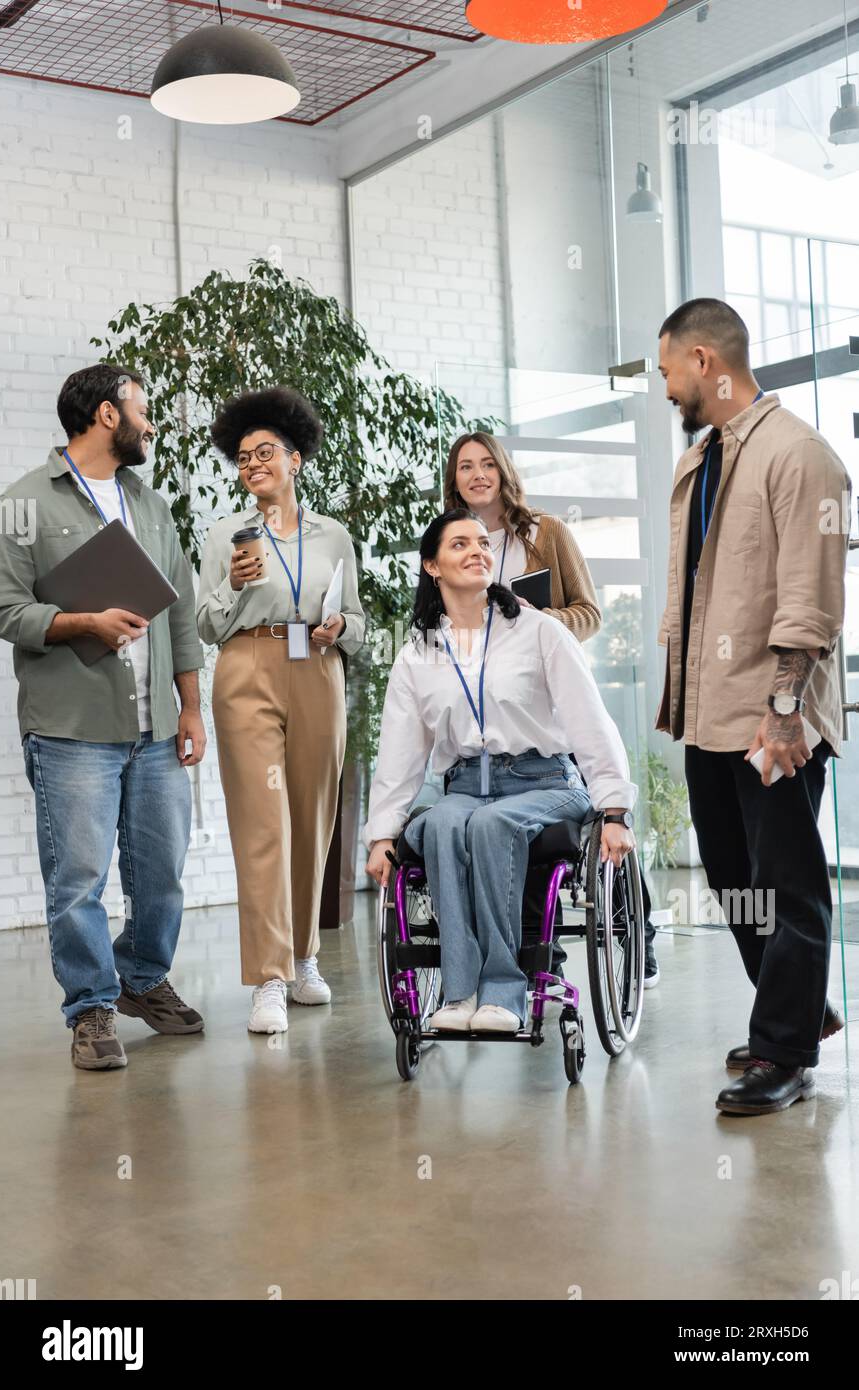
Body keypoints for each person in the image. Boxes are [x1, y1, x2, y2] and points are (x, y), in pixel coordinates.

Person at [656, 297, 849, 1116]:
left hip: (772, 719)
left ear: (705, 362)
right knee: (735, 884)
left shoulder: (798, 456)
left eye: (668, 372)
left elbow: (807, 599)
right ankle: (798, 1009)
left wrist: (781, 712)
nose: (666, 389)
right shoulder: (700, 462)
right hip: (709, 714)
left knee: (786, 884)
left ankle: (781, 1052)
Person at [0, 364, 206, 1071]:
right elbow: (2, 608)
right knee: (77, 874)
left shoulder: (150, 505)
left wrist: (191, 707)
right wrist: (78, 620)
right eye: (143, 409)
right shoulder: (21, 503)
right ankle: (89, 1006)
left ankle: (141, 980)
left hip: (153, 728)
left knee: (162, 870)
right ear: (108, 415)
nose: (150, 423)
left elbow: (176, 615)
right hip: (71, 726)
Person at [363, 509, 636, 1033]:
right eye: (460, 544)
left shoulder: (539, 631)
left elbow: (588, 722)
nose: (477, 551)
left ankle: (505, 991)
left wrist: (615, 808)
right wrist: (381, 835)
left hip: (545, 782)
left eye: (484, 543)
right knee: (440, 823)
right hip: (466, 784)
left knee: (491, 825)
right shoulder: (418, 652)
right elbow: (399, 755)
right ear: (432, 566)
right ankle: (459, 992)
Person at [445, 429, 661, 986]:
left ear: (504, 471)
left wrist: (536, 621)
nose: (477, 475)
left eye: (487, 464)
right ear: (455, 480)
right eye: (465, 466)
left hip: (554, 698)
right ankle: (539, 953)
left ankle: (636, 929)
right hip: (492, 708)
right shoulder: (453, 542)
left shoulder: (546, 533)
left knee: (597, 804)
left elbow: (590, 612)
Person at [197, 387, 365, 1036]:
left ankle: (303, 958)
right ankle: (267, 977)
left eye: (265, 453)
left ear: (295, 461)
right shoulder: (224, 536)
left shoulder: (334, 537)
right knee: (262, 823)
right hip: (247, 668)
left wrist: (338, 629)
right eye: (242, 458)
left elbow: (358, 620)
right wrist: (236, 586)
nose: (252, 464)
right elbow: (207, 625)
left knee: (311, 816)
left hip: (316, 670)